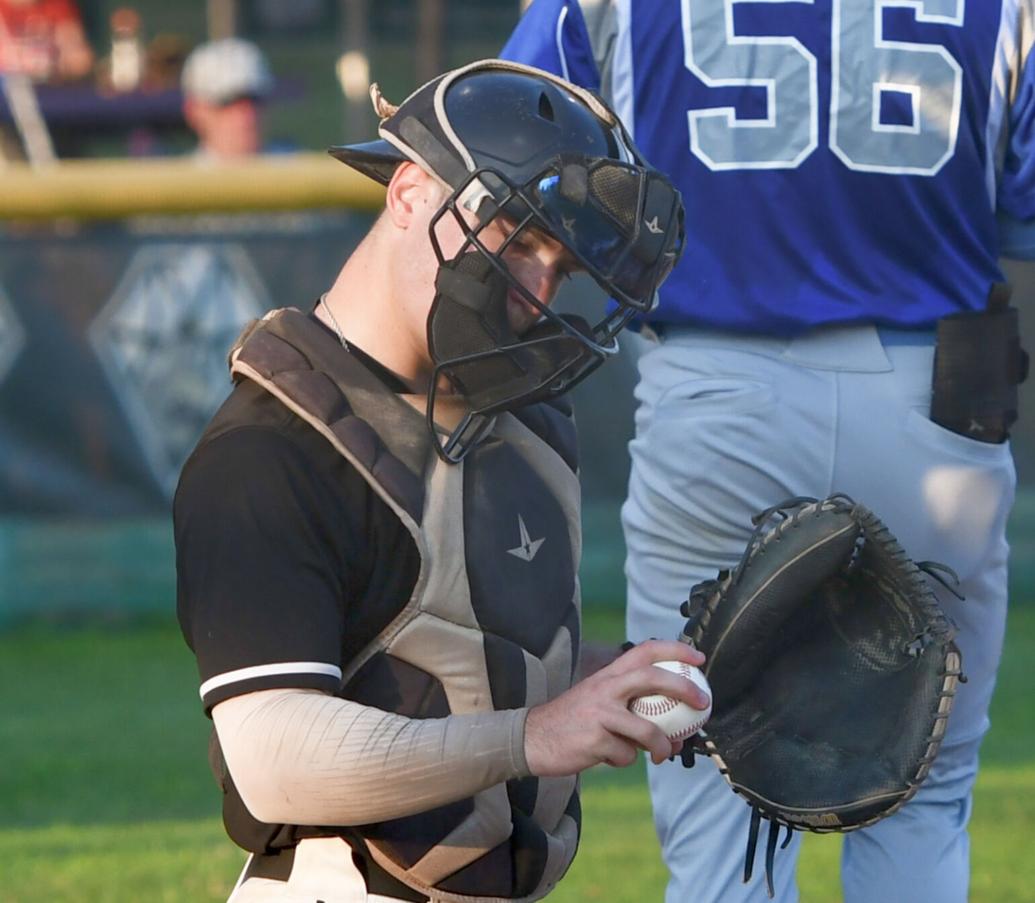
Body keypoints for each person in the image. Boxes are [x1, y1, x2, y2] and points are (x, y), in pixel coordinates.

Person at [502, 4, 1031, 903]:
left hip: (714, 387)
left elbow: (511, 138)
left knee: (706, 781)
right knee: (924, 787)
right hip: (930, 395)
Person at [174, 58, 707, 903]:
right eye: (518, 238)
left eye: (560, 268)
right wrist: (537, 733)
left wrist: (645, 677)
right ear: (411, 193)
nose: (536, 293)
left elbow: (478, 662)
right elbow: (273, 755)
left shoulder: (522, 423)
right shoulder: (269, 449)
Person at [180, 37, 272, 160]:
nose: (247, 116)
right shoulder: (178, 177)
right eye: (227, 102)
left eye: (255, 100)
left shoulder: (294, 168)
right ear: (194, 110)